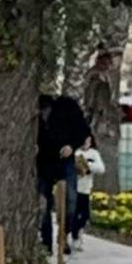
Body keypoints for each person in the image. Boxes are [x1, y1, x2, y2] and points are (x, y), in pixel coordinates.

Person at [38, 88, 92, 249]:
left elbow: (82, 130)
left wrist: (72, 145)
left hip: (64, 159)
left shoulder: (67, 105)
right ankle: (45, 240)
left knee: (71, 199)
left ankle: (65, 233)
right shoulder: (31, 103)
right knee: (43, 202)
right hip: (42, 160)